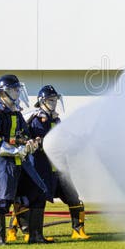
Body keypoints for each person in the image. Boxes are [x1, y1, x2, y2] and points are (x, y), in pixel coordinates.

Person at [0, 74, 40, 245]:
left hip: (19, 163)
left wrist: (30, 143)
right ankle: (1, 239)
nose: (17, 92)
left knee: (29, 195)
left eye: (18, 89)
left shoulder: (15, 112)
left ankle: (33, 235)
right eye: (14, 89)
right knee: (3, 199)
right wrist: (15, 150)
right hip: (2, 164)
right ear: (4, 92)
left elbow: (24, 134)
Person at [28, 85, 90, 240]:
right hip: (42, 169)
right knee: (36, 202)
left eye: (55, 99)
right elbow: (39, 142)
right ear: (42, 101)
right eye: (50, 100)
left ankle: (78, 230)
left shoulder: (56, 119)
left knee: (74, 198)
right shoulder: (36, 120)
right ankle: (17, 231)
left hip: (60, 168)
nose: (54, 102)